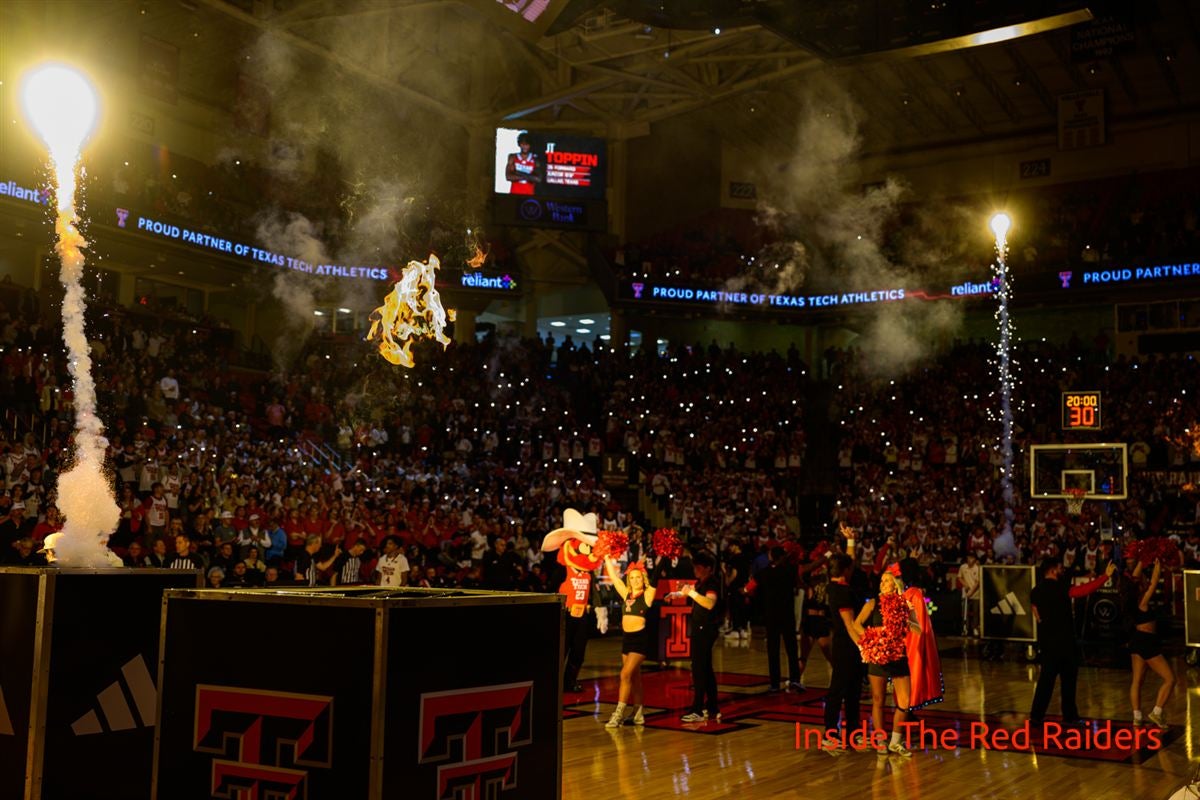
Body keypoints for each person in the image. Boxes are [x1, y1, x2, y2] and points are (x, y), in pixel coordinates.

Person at [1029, 557, 1117, 725]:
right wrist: (1105, 577)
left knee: (1045, 682)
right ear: (1053, 570)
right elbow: (1084, 590)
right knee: (1068, 683)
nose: (1063, 570)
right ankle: (1070, 717)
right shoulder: (1062, 588)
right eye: (1060, 567)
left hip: (1047, 644)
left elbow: (1037, 616)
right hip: (1065, 643)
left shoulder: (1035, 591)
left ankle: (1036, 716)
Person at [847, 564, 914, 757]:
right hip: (878, 656)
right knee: (878, 700)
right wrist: (873, 637)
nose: (883, 583)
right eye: (882, 580)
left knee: (905, 702)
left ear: (895, 585)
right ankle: (880, 739)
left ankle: (895, 740)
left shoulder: (905, 605)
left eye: (887, 581)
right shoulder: (873, 603)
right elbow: (856, 624)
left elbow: (916, 629)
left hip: (899, 656)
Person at [541, 510, 605, 694]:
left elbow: (592, 591)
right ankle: (552, 682)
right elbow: (550, 590)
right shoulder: (562, 569)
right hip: (564, 614)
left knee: (578, 651)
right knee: (561, 650)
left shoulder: (588, 571)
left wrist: (598, 608)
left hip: (582, 615)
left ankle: (569, 681)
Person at [604, 556, 657, 727]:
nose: (635, 580)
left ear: (643, 579)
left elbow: (656, 576)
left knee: (624, 674)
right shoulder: (626, 594)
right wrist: (605, 556)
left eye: (638, 577)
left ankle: (618, 713)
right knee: (634, 677)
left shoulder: (648, 595)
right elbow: (613, 576)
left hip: (640, 640)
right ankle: (638, 712)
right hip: (626, 640)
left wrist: (662, 556)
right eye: (632, 577)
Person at [1125, 560, 1174, 728]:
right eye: (1141, 581)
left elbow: (1134, 578)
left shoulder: (1131, 599)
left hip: (1137, 641)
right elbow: (1153, 582)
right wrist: (1158, 564)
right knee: (1170, 679)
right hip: (1147, 642)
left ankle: (1137, 717)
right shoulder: (1142, 601)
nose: (1143, 581)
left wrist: (1142, 558)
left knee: (1137, 680)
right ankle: (1157, 712)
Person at [746, 546, 800, 692]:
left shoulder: (763, 573)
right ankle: (795, 680)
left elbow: (748, 588)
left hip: (771, 616)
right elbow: (810, 567)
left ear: (770, 557)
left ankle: (774, 684)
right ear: (782, 557)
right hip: (787, 615)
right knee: (791, 648)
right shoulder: (790, 570)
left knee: (773, 650)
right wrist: (827, 554)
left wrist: (743, 591)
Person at [678, 552, 722, 723]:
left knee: (698, 668)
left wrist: (691, 593)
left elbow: (710, 603)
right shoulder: (702, 583)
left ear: (708, 569)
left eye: (699, 567)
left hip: (705, 630)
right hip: (701, 628)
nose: (695, 569)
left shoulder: (711, 583)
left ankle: (697, 708)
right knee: (706, 669)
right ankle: (712, 706)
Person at [957, 552, 981, 637]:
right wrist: (965, 584)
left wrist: (971, 591)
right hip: (965, 594)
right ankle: (965, 629)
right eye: (968, 558)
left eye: (971, 558)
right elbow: (959, 577)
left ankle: (975, 629)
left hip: (976, 594)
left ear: (975, 559)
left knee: (975, 612)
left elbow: (978, 582)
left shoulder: (978, 568)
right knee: (964, 613)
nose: (969, 560)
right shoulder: (963, 567)